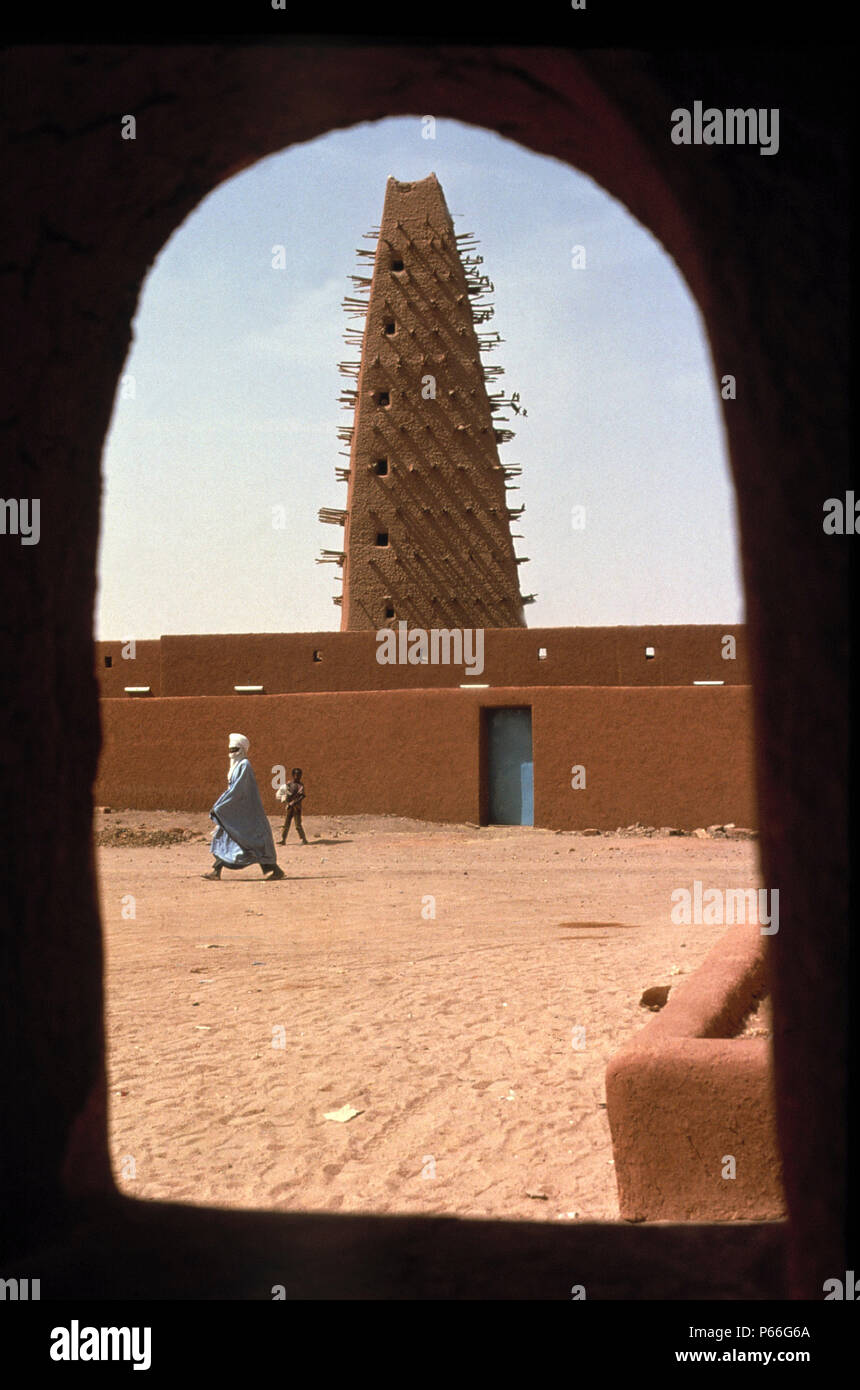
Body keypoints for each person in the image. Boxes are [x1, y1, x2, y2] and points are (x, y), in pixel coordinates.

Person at [203, 733, 284, 879]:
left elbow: (238, 790)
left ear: (242, 750)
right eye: (230, 750)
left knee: (254, 841)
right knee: (225, 836)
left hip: (246, 811)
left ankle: (275, 870)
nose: (231, 753)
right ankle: (216, 871)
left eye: (235, 749)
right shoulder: (236, 766)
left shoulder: (244, 766)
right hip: (235, 812)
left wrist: (219, 806)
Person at [278, 767, 308, 845]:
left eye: (299, 775)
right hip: (289, 807)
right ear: (293, 775)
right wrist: (286, 800)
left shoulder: (300, 785)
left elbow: (302, 796)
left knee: (298, 825)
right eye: (296, 775)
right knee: (286, 824)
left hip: (296, 807)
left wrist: (294, 802)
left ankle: (304, 839)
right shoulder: (289, 784)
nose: (297, 777)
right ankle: (283, 839)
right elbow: (285, 793)